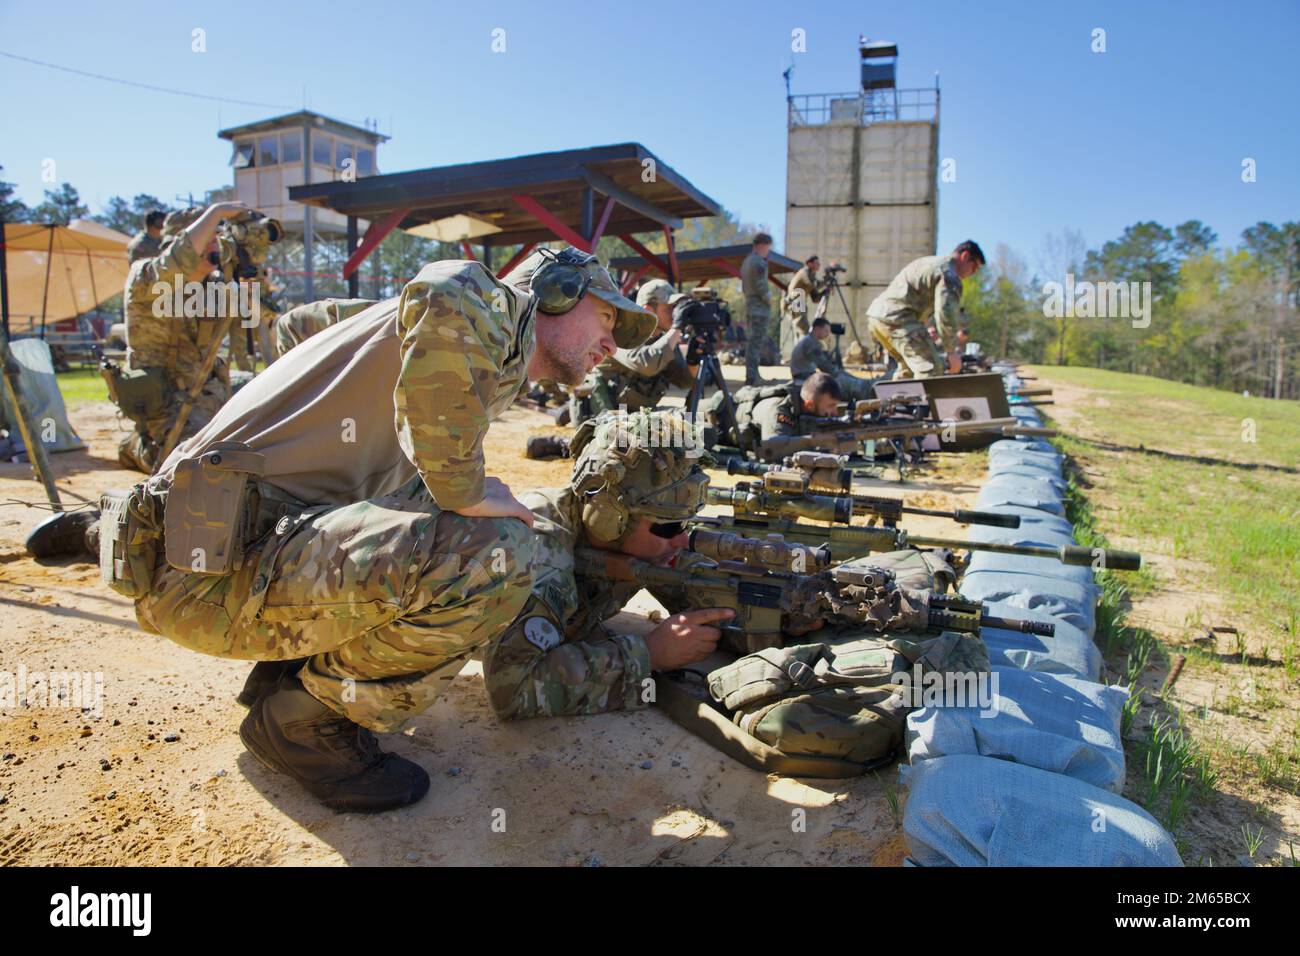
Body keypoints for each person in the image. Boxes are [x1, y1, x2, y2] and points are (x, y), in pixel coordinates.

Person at [105, 246, 655, 813]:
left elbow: (302, 323)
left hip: (217, 553)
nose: (611, 345)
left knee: (425, 505)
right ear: (556, 289)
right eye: (607, 317)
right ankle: (303, 725)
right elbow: (448, 285)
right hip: (201, 577)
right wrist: (463, 488)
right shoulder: (480, 306)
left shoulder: (436, 340)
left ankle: (286, 678)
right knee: (493, 552)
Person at [485, 409, 733, 719]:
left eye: (686, 525)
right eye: (669, 527)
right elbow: (511, 689)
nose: (682, 541)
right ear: (610, 519)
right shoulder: (540, 554)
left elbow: (701, 595)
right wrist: (649, 654)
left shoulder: (639, 541)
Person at [115, 202, 256, 473]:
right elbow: (179, 259)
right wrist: (217, 212)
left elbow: (262, 317)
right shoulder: (145, 277)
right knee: (199, 465)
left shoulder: (214, 286)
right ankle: (139, 446)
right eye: (209, 236)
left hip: (209, 395)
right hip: (171, 410)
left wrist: (250, 265)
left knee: (265, 397)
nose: (215, 244)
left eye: (218, 237)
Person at [865, 240, 984, 379]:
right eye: (974, 266)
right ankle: (924, 401)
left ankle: (898, 398)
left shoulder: (929, 262)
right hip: (898, 319)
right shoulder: (949, 274)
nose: (973, 272)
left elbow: (915, 298)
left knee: (909, 368)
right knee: (931, 368)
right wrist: (952, 352)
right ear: (965, 256)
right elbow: (946, 313)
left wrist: (924, 328)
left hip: (877, 317)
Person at [790, 317, 878, 403]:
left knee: (843, 376)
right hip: (803, 379)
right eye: (826, 331)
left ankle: (866, 384)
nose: (828, 334)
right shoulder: (810, 343)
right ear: (817, 329)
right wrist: (839, 373)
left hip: (804, 376)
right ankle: (868, 389)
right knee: (843, 381)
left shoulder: (809, 340)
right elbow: (825, 366)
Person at [740, 232, 774, 385]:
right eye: (767, 247)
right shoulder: (759, 262)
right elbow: (761, 286)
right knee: (756, 344)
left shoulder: (746, 261)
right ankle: (753, 377)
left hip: (750, 305)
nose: (768, 250)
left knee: (752, 343)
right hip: (759, 308)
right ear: (762, 245)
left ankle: (752, 375)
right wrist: (769, 299)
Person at [780, 255, 825, 362]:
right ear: (809, 263)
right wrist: (825, 281)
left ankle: (800, 355)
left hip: (800, 301)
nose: (818, 266)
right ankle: (803, 355)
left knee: (801, 330)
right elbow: (811, 284)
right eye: (816, 263)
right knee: (803, 328)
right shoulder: (804, 272)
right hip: (796, 300)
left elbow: (815, 298)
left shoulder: (811, 275)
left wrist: (824, 292)